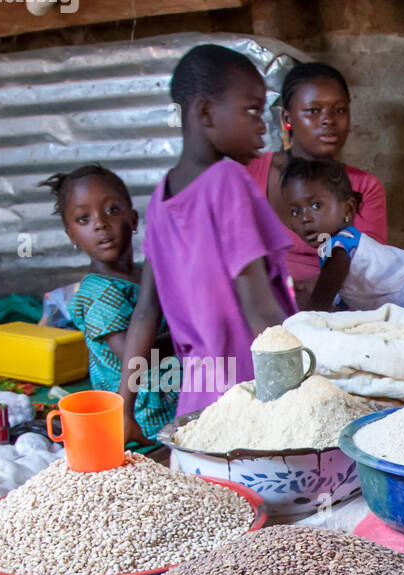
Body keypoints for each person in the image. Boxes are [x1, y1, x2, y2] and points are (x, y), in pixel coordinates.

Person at [122, 44, 294, 436]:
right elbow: (261, 312)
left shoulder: (159, 200)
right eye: (251, 110)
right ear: (203, 112)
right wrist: (309, 378)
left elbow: (146, 313)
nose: (262, 127)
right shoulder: (227, 182)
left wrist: (124, 408)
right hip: (254, 394)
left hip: (198, 399)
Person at [40, 165, 177, 440]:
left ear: (134, 219)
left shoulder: (144, 276)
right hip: (140, 415)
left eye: (112, 210)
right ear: (72, 236)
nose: (100, 223)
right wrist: (187, 338)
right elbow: (136, 356)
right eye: (83, 219)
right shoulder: (98, 293)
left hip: (169, 391)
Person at [247, 62, 387, 299]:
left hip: (330, 309)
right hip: (259, 305)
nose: (328, 120)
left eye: (339, 110)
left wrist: (315, 291)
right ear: (287, 119)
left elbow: (367, 270)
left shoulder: (364, 188)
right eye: (313, 111)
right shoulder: (249, 171)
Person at [280, 157, 404, 320]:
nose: (305, 218)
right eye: (295, 211)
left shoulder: (340, 247)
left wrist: (298, 324)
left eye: (316, 206)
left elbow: (318, 308)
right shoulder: (336, 246)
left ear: (348, 209)